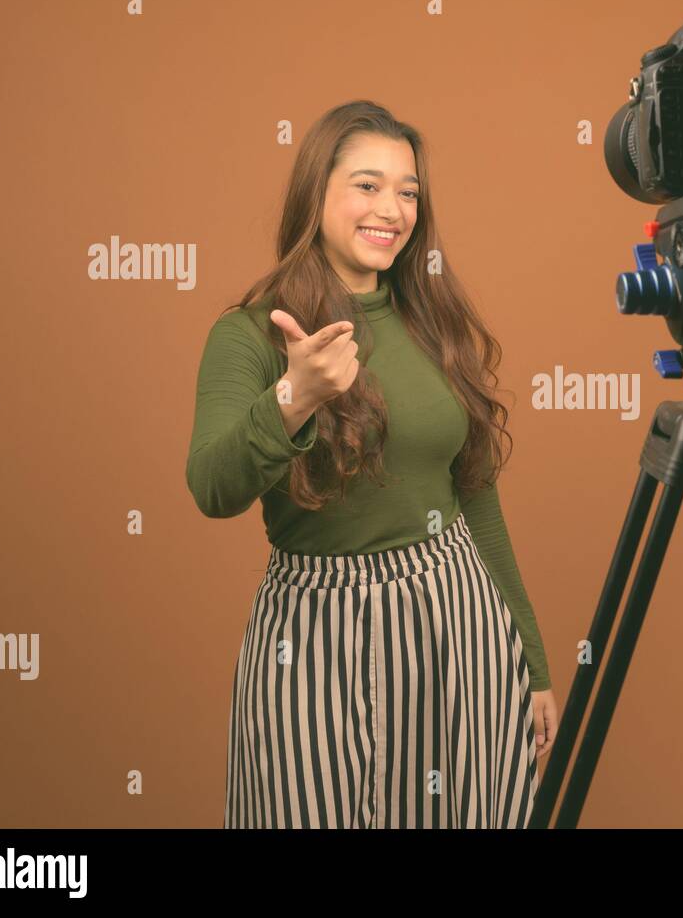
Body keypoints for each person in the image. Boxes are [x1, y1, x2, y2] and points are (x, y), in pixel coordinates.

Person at [185, 100, 556, 828]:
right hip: (315, 628)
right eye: (366, 184)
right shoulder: (250, 334)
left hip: (455, 617)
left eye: (408, 190)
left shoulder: (433, 319)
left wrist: (532, 660)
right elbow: (212, 485)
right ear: (315, 193)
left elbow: (476, 494)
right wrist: (294, 396)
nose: (392, 208)